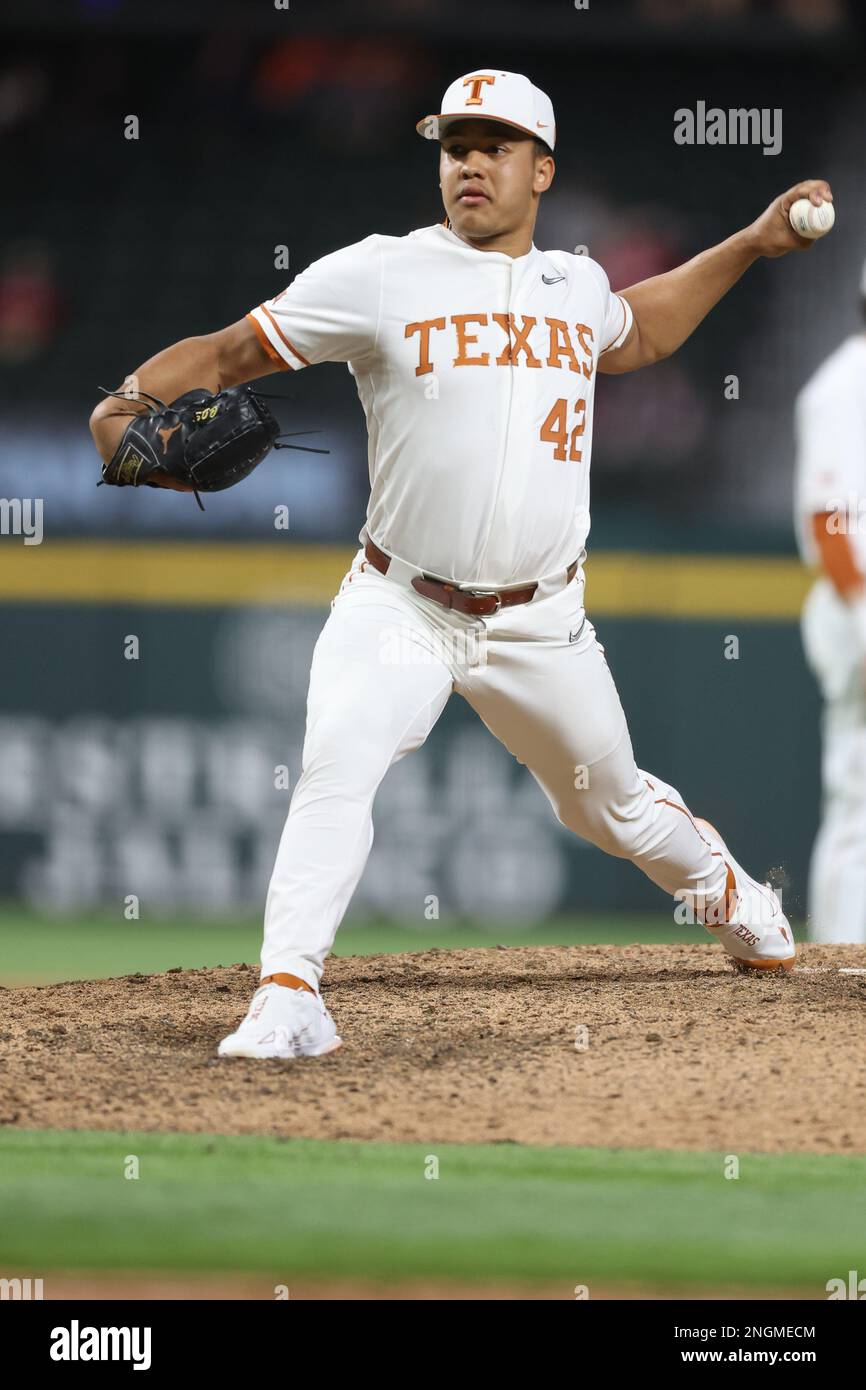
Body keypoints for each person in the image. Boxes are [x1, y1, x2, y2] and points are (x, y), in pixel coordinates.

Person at [90, 70, 824, 1059]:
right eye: (453, 145)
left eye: (495, 146)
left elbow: (641, 327)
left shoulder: (575, 284)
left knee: (606, 806)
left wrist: (746, 244)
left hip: (540, 621)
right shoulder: (378, 273)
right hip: (401, 600)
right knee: (336, 766)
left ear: (541, 169)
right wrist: (123, 400)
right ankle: (288, 990)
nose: (470, 163)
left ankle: (727, 892)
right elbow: (226, 354)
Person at [795, 257, 866, 945]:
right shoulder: (845, 385)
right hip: (855, 610)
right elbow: (830, 521)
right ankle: (842, 959)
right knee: (860, 791)